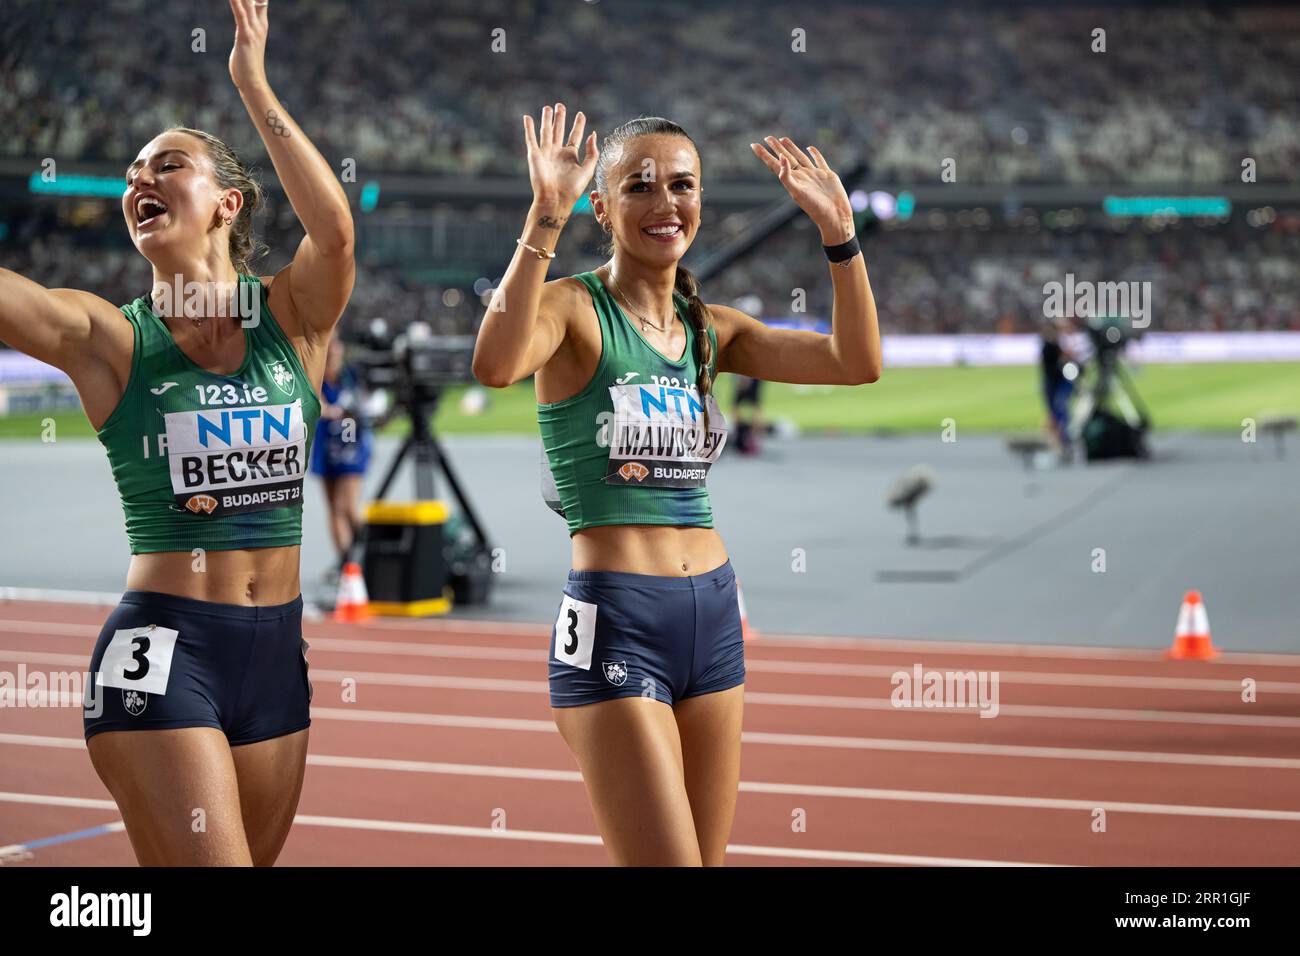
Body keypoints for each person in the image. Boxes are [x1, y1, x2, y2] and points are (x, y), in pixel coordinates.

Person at [473, 104, 881, 865]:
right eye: (640, 186)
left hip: (715, 618)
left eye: (683, 186)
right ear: (602, 205)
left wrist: (839, 235)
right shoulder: (572, 310)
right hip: (617, 620)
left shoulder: (709, 328)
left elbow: (854, 362)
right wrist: (543, 217)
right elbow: (494, 365)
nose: (666, 204)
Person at [0, 0, 354, 865]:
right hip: (163, 649)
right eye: (131, 172)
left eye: (167, 164)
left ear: (228, 202)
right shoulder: (112, 340)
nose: (137, 180)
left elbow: (335, 232)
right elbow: (23, 306)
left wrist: (252, 84)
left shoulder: (295, 321)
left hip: (276, 657)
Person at [311, 335, 373, 570]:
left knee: (344, 507)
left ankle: (358, 558)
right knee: (334, 509)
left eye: (336, 345)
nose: (332, 351)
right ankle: (348, 563)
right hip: (326, 446)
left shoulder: (352, 377)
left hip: (350, 448)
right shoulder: (314, 376)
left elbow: (368, 405)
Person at [1040, 320, 1077, 461]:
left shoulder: (1057, 345)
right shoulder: (1050, 346)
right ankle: (1057, 441)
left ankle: (1062, 440)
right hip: (1052, 383)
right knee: (1055, 413)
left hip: (1057, 383)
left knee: (1060, 412)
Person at [730, 373, 765, 456]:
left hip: (750, 374)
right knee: (751, 406)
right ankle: (746, 436)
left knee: (754, 406)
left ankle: (752, 436)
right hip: (747, 374)